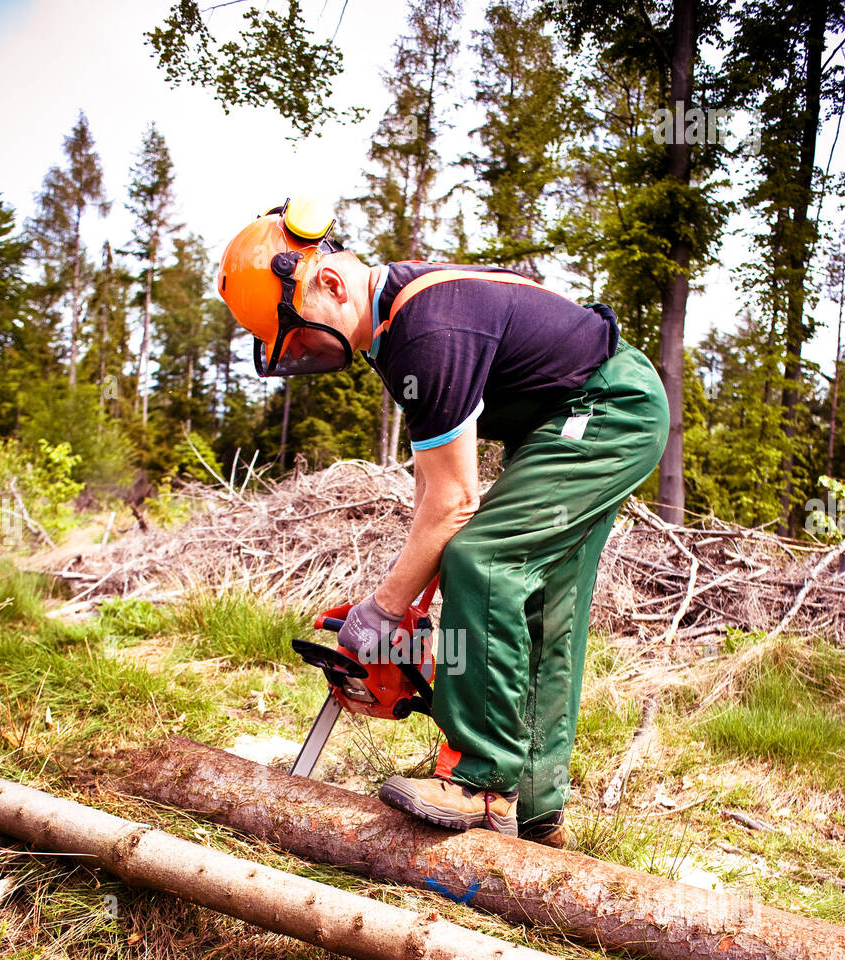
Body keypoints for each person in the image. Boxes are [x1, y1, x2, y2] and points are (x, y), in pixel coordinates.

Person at [218, 196, 670, 846]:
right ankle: (535, 816)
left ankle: (483, 783)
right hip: (570, 416)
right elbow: (436, 491)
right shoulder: (400, 327)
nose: (307, 354)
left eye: (301, 335)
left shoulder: (425, 329)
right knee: (539, 603)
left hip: (605, 409)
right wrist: (399, 609)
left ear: (333, 283)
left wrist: (385, 610)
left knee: (487, 560)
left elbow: (457, 506)